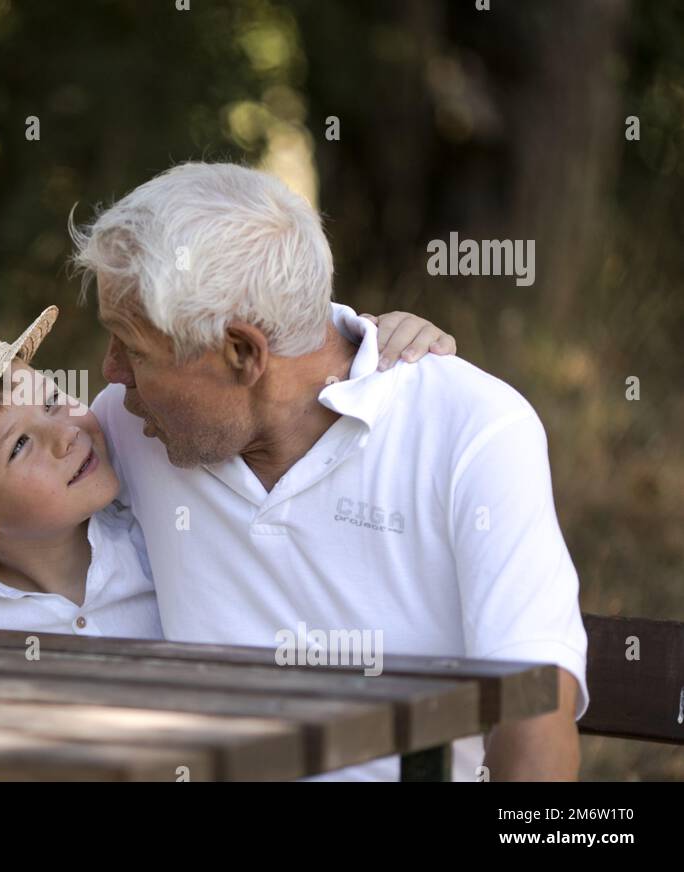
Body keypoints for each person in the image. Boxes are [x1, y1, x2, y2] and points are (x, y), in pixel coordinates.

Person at [73, 161, 588, 780]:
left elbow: (533, 700)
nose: (110, 372)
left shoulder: (471, 428)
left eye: (134, 348)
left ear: (242, 352)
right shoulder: (131, 425)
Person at [0, 301, 456, 639]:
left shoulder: (154, 494)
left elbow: (255, 371)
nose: (67, 434)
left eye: (54, 399)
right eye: (19, 447)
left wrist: (369, 340)